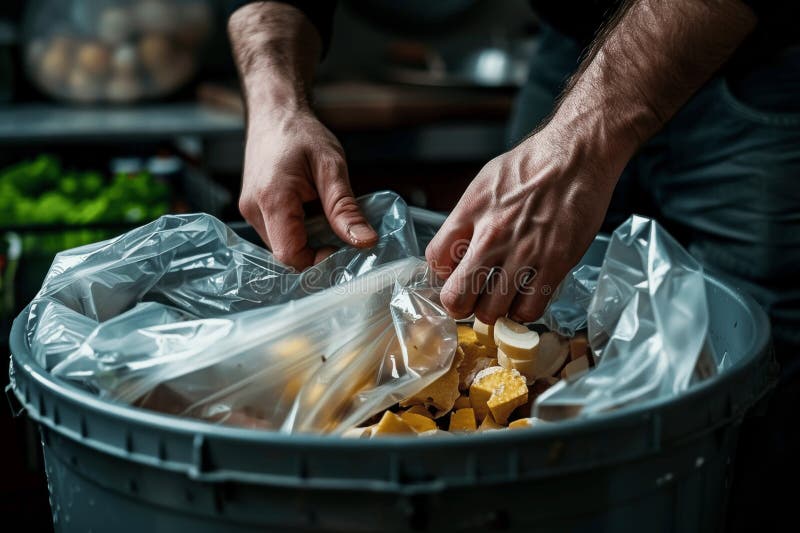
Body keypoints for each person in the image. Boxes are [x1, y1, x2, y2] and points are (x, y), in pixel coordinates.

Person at [228, 2, 798, 528]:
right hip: (576, 47)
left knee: (749, 411)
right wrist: (276, 102)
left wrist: (579, 143)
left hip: (756, 65)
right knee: (503, 290)